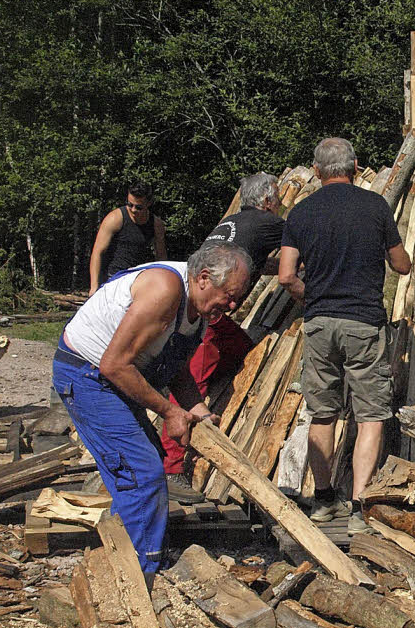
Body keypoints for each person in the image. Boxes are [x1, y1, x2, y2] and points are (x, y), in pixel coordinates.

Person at [52, 241, 251, 578]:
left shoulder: (200, 313)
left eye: (238, 299)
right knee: (141, 471)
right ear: (204, 278)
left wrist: (199, 411)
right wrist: (171, 413)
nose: (233, 305)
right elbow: (114, 364)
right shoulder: (165, 289)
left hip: (112, 375)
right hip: (88, 374)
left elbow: (176, 369)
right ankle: (140, 573)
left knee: (144, 462)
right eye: (229, 295)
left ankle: (124, 552)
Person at [278, 137, 411, 534]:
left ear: (316, 171)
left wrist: (313, 295)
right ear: (355, 166)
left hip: (320, 323)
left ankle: (322, 501)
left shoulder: (301, 212)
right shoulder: (375, 206)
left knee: (322, 412)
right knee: (370, 416)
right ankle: (358, 508)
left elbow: (286, 275)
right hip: (363, 323)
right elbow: (402, 265)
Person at [158, 172, 286, 502]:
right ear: (268, 200)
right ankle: (172, 469)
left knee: (242, 347)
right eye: (278, 199)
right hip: (208, 315)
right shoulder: (267, 223)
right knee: (190, 384)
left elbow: (256, 263)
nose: (280, 205)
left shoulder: (234, 224)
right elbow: (305, 242)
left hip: (202, 307)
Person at [89, 182, 168, 295]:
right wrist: (94, 286)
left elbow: (161, 258)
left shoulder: (156, 224)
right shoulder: (115, 218)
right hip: (113, 277)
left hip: (139, 279)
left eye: (139, 207)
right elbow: (98, 252)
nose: (133, 210)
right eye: (130, 204)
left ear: (149, 203)